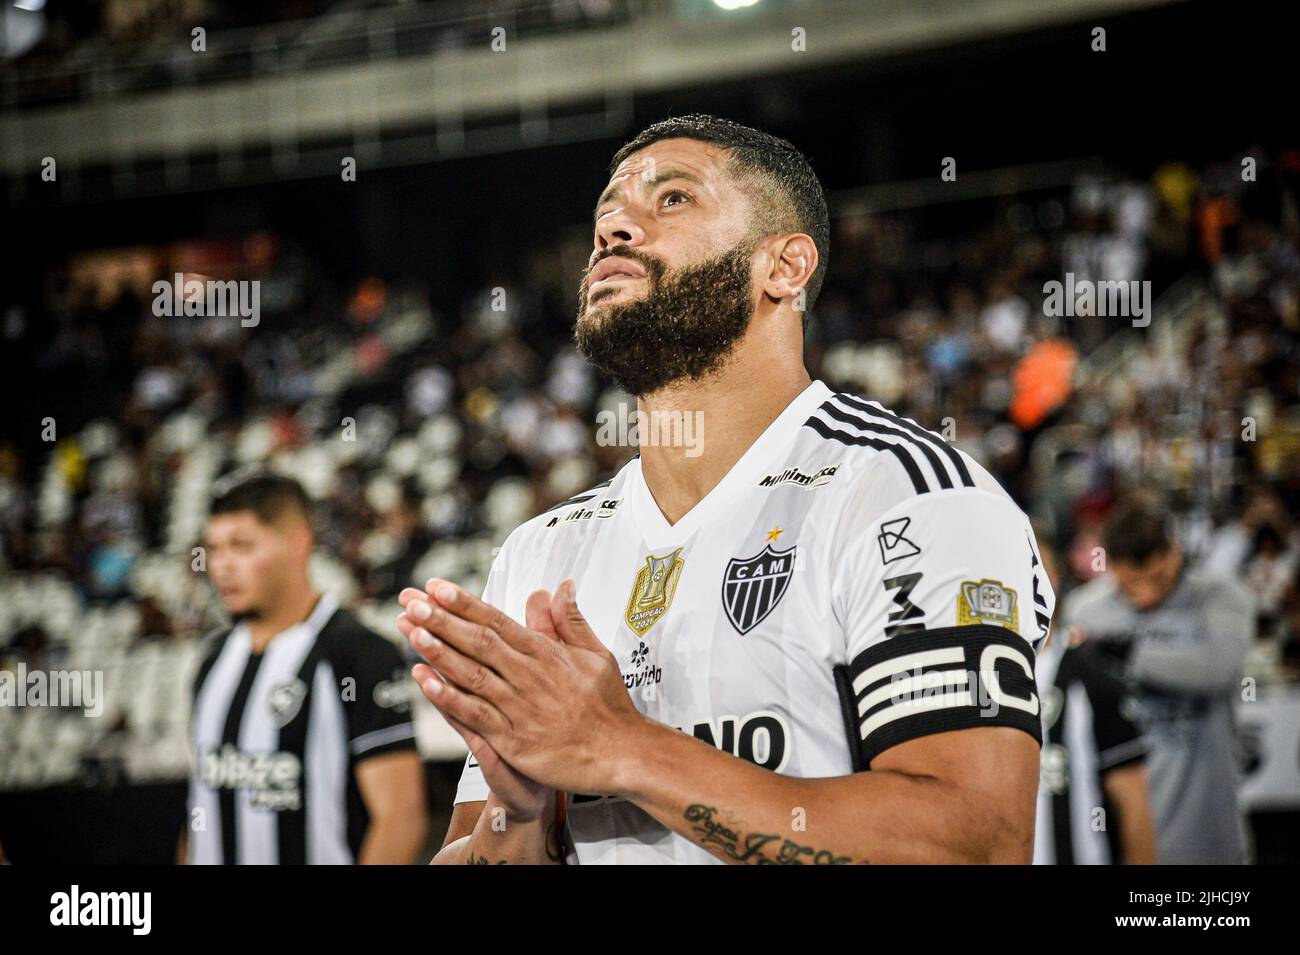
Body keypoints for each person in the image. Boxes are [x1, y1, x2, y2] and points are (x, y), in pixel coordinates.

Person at [400, 114, 1055, 864]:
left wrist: (621, 747)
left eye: (671, 199)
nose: (614, 226)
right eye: (606, 212)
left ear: (786, 266)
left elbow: (978, 846)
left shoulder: (907, 496)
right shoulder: (540, 553)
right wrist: (518, 816)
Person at [185, 473, 426, 864]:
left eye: (242, 546)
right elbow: (201, 806)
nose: (222, 566)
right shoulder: (212, 661)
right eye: (213, 548)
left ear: (299, 543)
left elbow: (400, 818)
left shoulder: (359, 654)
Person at [1062, 497, 1253, 864]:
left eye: (1157, 579)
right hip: (1127, 825)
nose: (1147, 594)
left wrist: (1127, 653)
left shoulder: (1219, 597)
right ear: (1111, 566)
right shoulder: (1086, 611)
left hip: (1209, 827)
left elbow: (1216, 669)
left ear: (1174, 552)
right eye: (1133, 584)